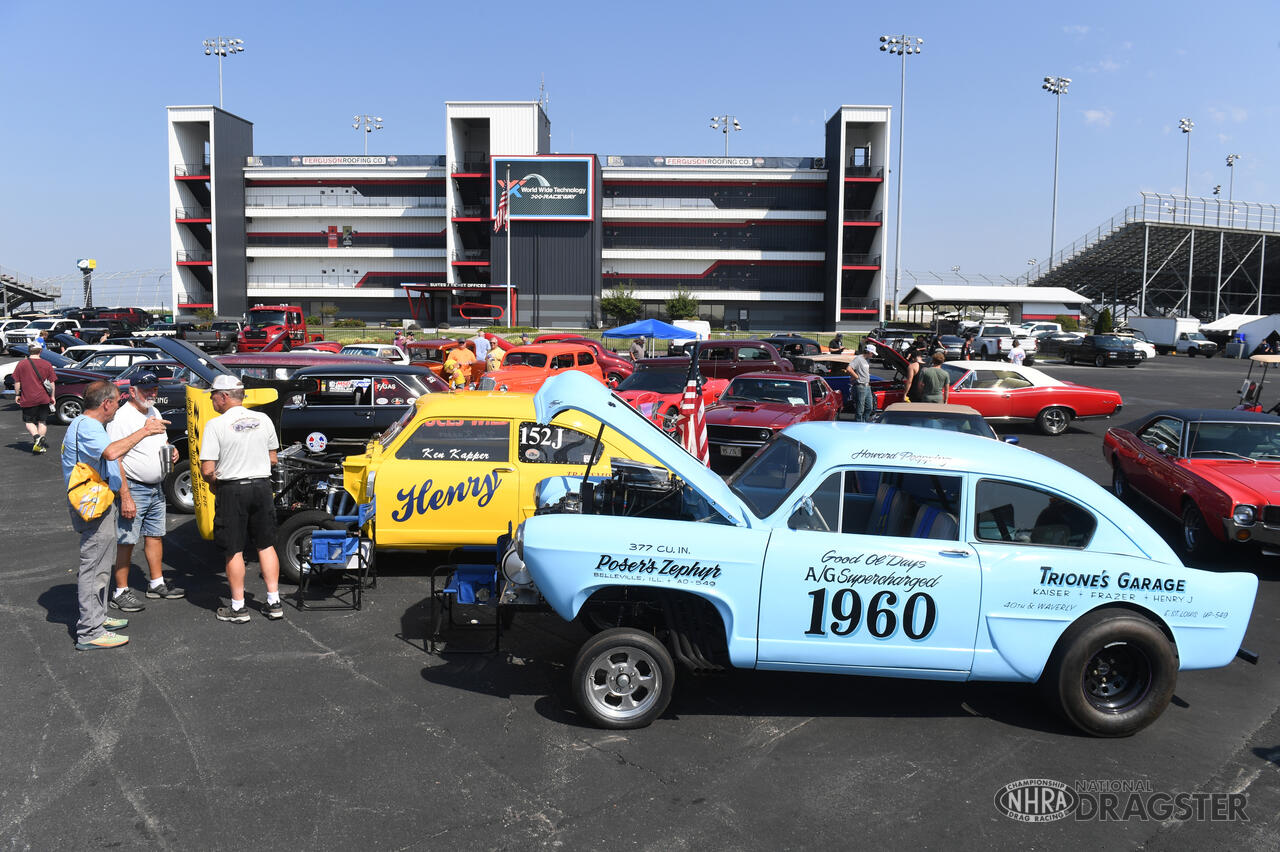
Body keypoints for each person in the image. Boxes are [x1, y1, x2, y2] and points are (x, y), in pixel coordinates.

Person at [62, 381, 169, 650]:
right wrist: (144, 432)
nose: (118, 406)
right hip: (93, 507)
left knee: (99, 564)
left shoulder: (86, 425)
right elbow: (111, 452)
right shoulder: (87, 425)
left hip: (97, 503)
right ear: (106, 403)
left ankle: (96, 619)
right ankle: (90, 632)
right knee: (94, 566)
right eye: (116, 401)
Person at [199, 375, 283, 623]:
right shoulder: (264, 419)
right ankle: (274, 601)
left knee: (233, 547)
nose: (213, 399)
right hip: (261, 485)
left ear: (224, 396)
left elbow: (206, 469)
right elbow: (273, 459)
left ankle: (238, 607)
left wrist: (215, 484)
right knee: (265, 544)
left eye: (214, 395)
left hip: (232, 488)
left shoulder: (216, 425)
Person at [106, 373, 184, 613]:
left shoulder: (154, 412)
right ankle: (120, 591)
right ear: (132, 391)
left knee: (155, 535)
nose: (152, 393)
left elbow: (162, 441)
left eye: (155, 389)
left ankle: (156, 583)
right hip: (134, 486)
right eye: (147, 389)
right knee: (127, 540)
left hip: (156, 486)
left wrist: (172, 451)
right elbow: (114, 456)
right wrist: (126, 495)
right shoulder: (121, 417)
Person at [12, 340, 57, 454]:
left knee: (29, 421)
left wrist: (17, 394)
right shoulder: (47, 364)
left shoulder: (22, 364)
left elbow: (17, 381)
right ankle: (40, 444)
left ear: (29, 351)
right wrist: (52, 396)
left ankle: (37, 437)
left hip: (28, 398)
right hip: (43, 398)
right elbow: (52, 383)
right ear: (40, 351)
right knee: (42, 421)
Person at [845, 345, 874, 422]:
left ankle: (863, 422)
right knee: (860, 409)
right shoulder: (858, 359)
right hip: (860, 386)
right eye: (872, 353)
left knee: (869, 407)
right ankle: (859, 424)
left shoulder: (867, 360)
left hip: (867, 386)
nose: (873, 355)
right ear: (869, 352)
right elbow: (849, 368)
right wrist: (856, 377)